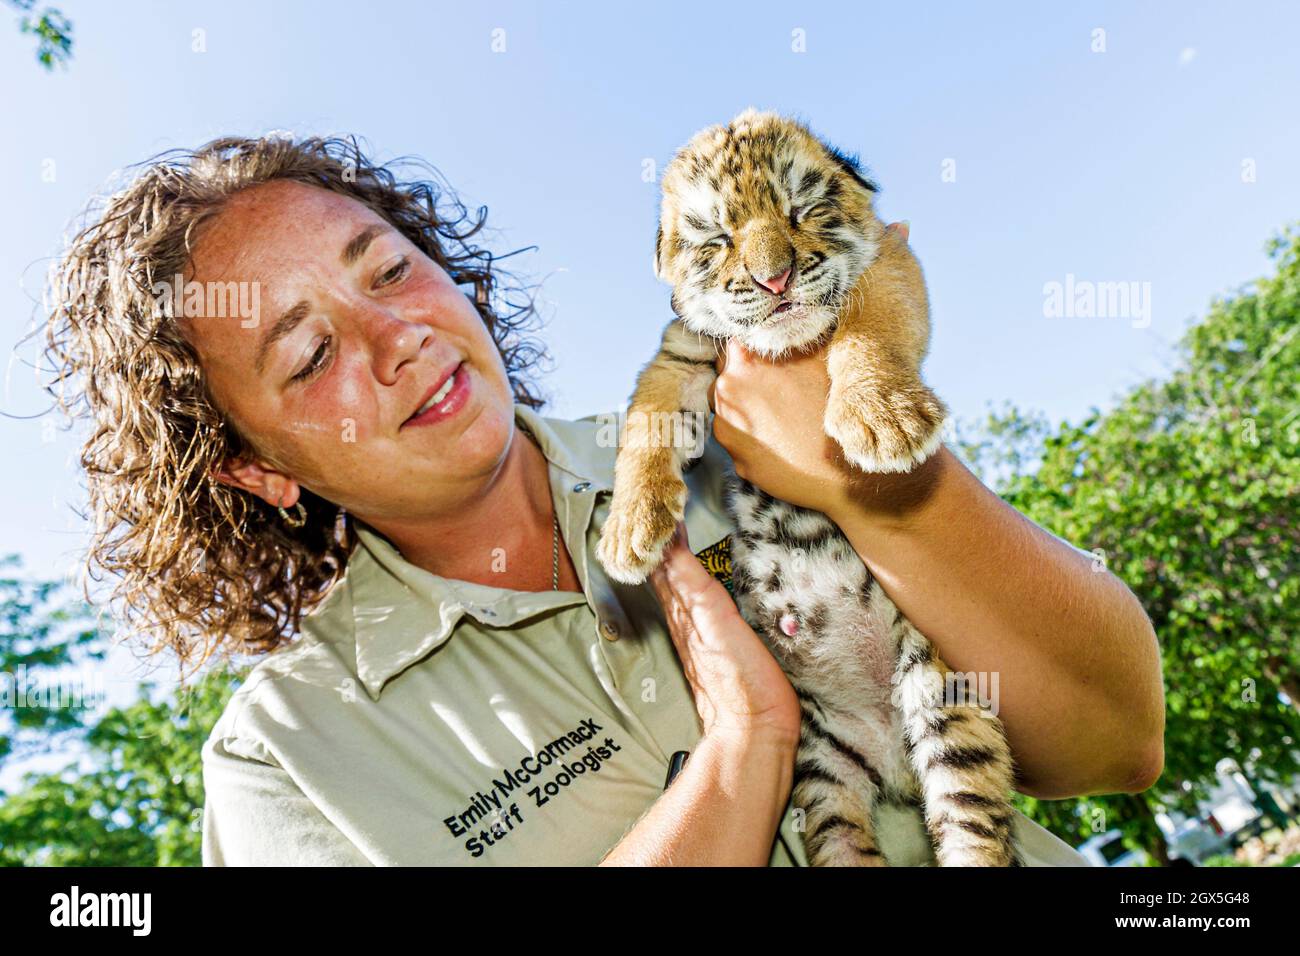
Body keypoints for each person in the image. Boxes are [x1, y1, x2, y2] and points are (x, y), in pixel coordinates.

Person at [42, 134, 1165, 866]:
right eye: (311, 353)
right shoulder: (288, 761)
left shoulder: (743, 425)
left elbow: (1114, 739)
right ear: (256, 469)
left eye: (389, 271)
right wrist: (743, 752)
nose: (399, 336)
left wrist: (886, 495)